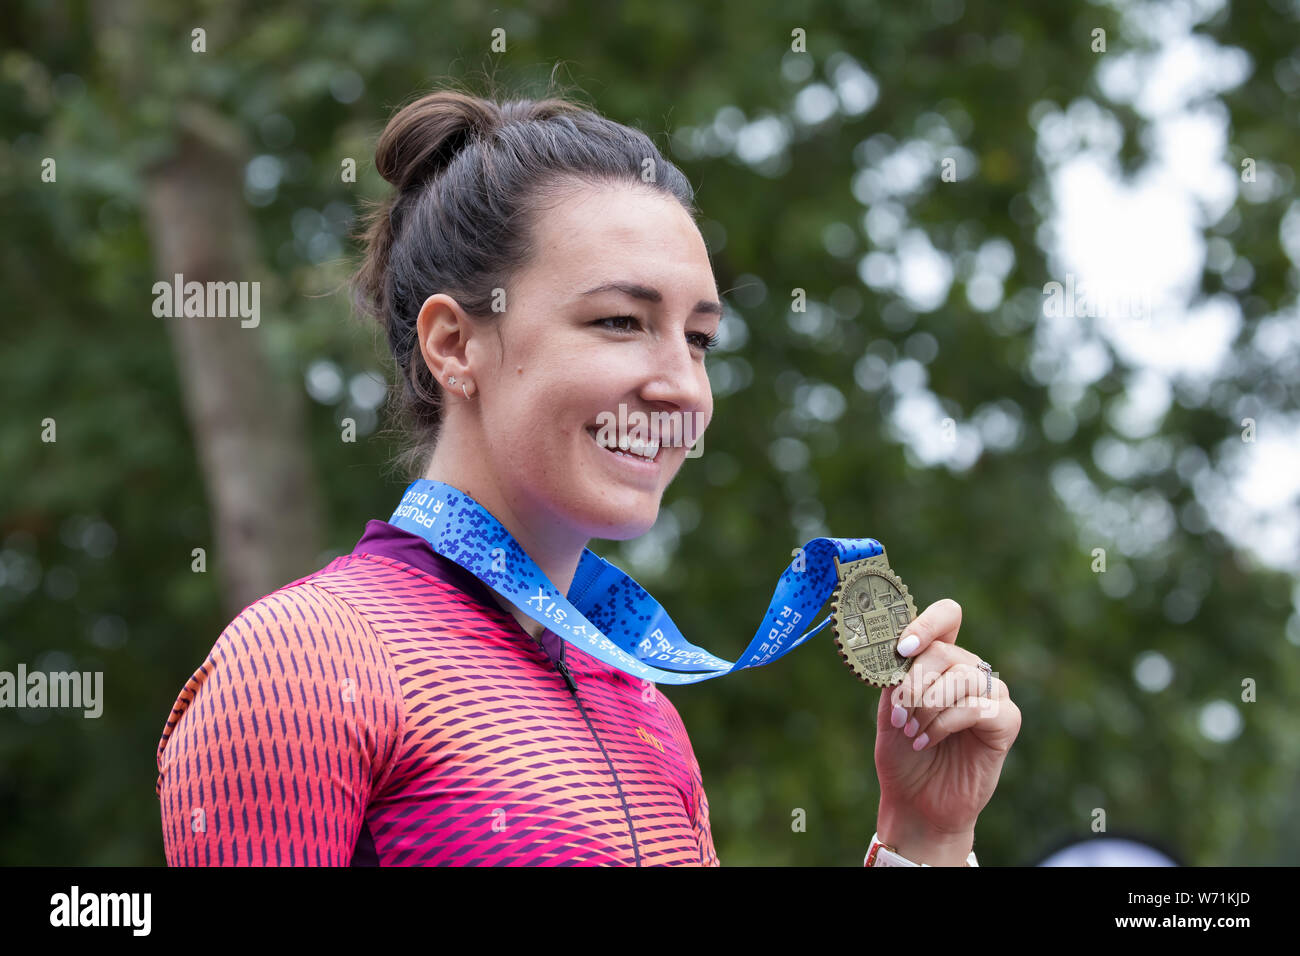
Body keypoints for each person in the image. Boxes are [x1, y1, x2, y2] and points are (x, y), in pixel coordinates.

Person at [154, 85, 1021, 866]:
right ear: (455, 345)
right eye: (618, 321)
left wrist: (924, 837)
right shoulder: (304, 660)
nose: (683, 385)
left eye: (700, 339)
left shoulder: (646, 714)